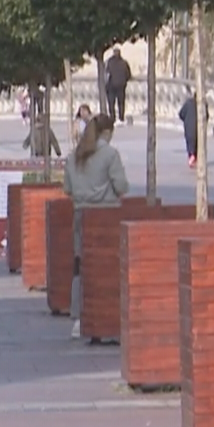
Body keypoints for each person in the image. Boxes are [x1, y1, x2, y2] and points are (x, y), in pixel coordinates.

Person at [63, 114, 131, 338]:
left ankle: (78, 317)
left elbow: (67, 189)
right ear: (107, 132)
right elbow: (121, 186)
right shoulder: (110, 154)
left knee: (81, 265)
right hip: (106, 216)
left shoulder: (74, 156)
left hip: (81, 215)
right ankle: (106, 317)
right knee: (106, 269)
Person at [104, 48, 132, 123]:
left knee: (111, 103)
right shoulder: (124, 63)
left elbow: (106, 74)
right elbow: (128, 75)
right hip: (121, 86)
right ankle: (121, 118)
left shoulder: (109, 62)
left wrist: (106, 85)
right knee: (121, 103)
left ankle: (112, 118)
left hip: (111, 86)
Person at [179, 95, 200, 168]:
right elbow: (206, 116)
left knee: (190, 143)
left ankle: (192, 157)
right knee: (197, 144)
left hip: (188, 127)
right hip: (199, 128)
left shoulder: (188, 103)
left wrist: (186, 120)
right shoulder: (202, 104)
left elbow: (181, 114)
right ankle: (194, 158)